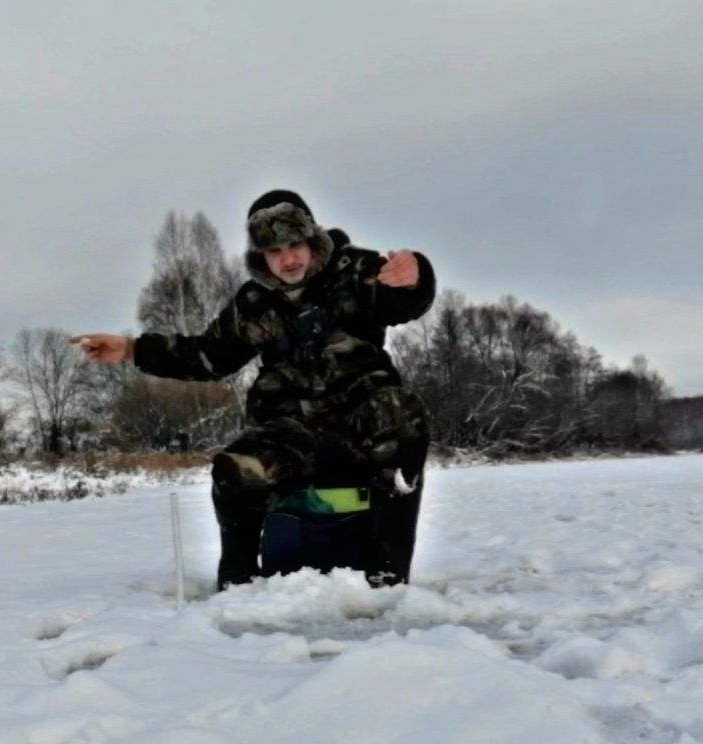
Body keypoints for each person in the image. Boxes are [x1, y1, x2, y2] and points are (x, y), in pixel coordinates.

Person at [74, 190, 436, 590]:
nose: (288, 259)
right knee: (235, 470)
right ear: (261, 255)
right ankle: (239, 582)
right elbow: (206, 356)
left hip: (361, 425)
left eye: (295, 244)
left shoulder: (356, 270)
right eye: (274, 250)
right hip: (290, 433)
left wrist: (416, 275)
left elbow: (405, 302)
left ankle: (387, 571)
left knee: (401, 414)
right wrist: (131, 349)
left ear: (312, 239)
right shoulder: (253, 302)